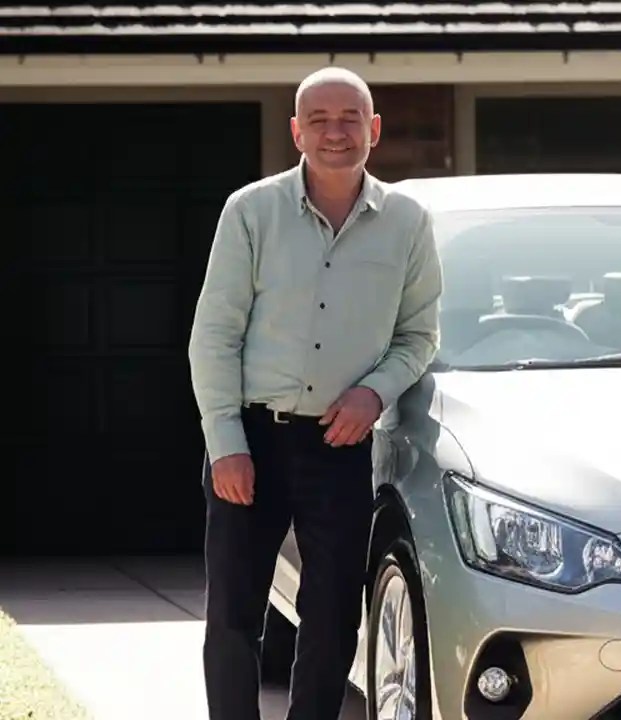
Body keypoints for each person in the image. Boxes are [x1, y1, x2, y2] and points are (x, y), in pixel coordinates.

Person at [188, 66, 442, 720]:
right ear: (296, 131)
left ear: (374, 129)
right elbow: (213, 337)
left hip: (341, 447)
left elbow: (419, 335)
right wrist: (225, 446)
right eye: (320, 120)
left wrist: (374, 395)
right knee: (234, 617)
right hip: (252, 441)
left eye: (350, 118)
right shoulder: (250, 211)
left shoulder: (409, 223)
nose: (336, 132)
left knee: (331, 618)